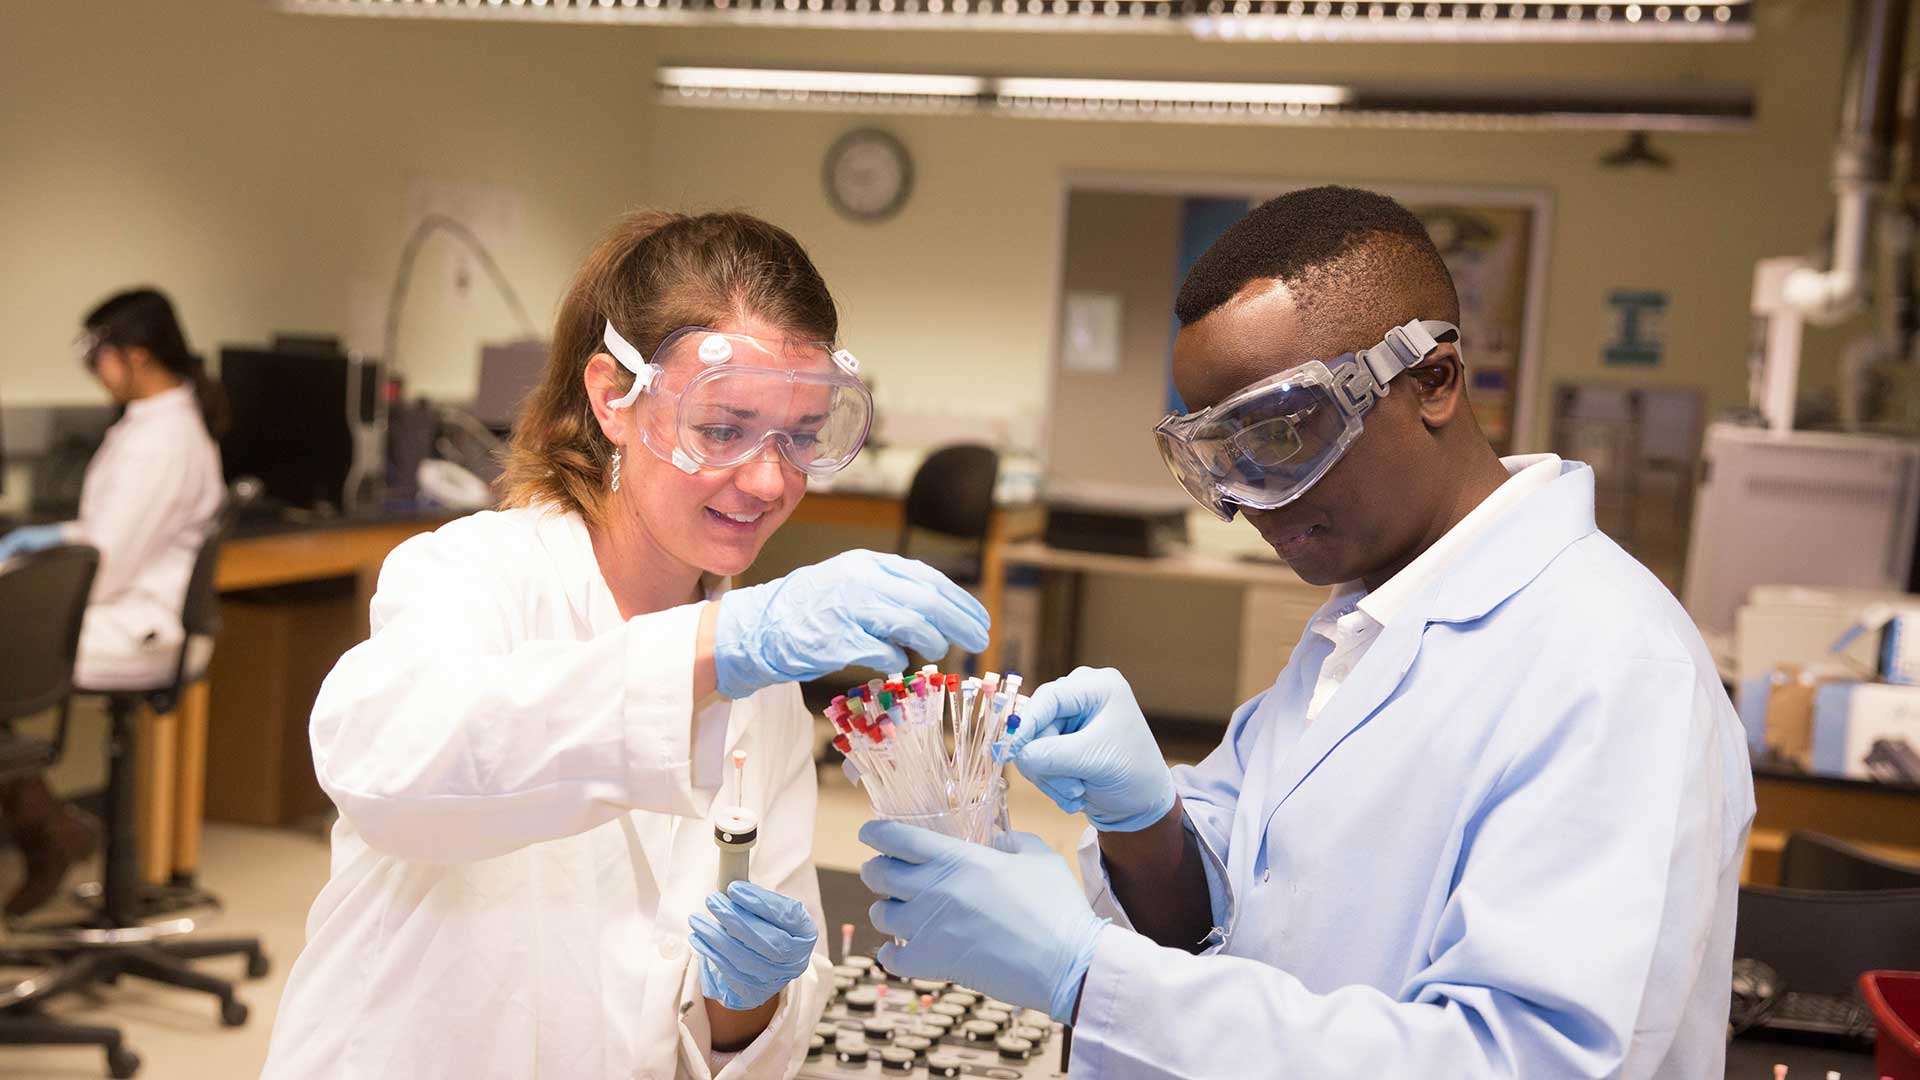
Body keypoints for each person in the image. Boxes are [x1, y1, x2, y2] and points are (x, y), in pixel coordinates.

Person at [859, 186, 1754, 1079]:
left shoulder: (1612, 666)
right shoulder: (1365, 621)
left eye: (1281, 434)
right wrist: (1149, 827)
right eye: (1217, 458)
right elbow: (1252, 907)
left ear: (1432, 381)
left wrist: (1090, 976)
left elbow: (1517, 1062)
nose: (1248, 496)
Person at [259, 210, 989, 1080]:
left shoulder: (762, 689)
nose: (767, 479)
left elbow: (753, 1040)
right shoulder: (470, 575)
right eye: (722, 429)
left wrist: (749, 998)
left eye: (801, 435)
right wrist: (724, 643)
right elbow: (385, 769)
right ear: (613, 397)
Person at [0, 287, 226, 917]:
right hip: (123, 609)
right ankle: (50, 827)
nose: (93, 371)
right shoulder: (149, 426)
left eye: (97, 355)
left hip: (140, 627)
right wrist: (40, 545)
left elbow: (106, 567)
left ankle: (47, 829)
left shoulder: (165, 440)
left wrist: (27, 576)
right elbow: (104, 538)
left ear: (138, 356)